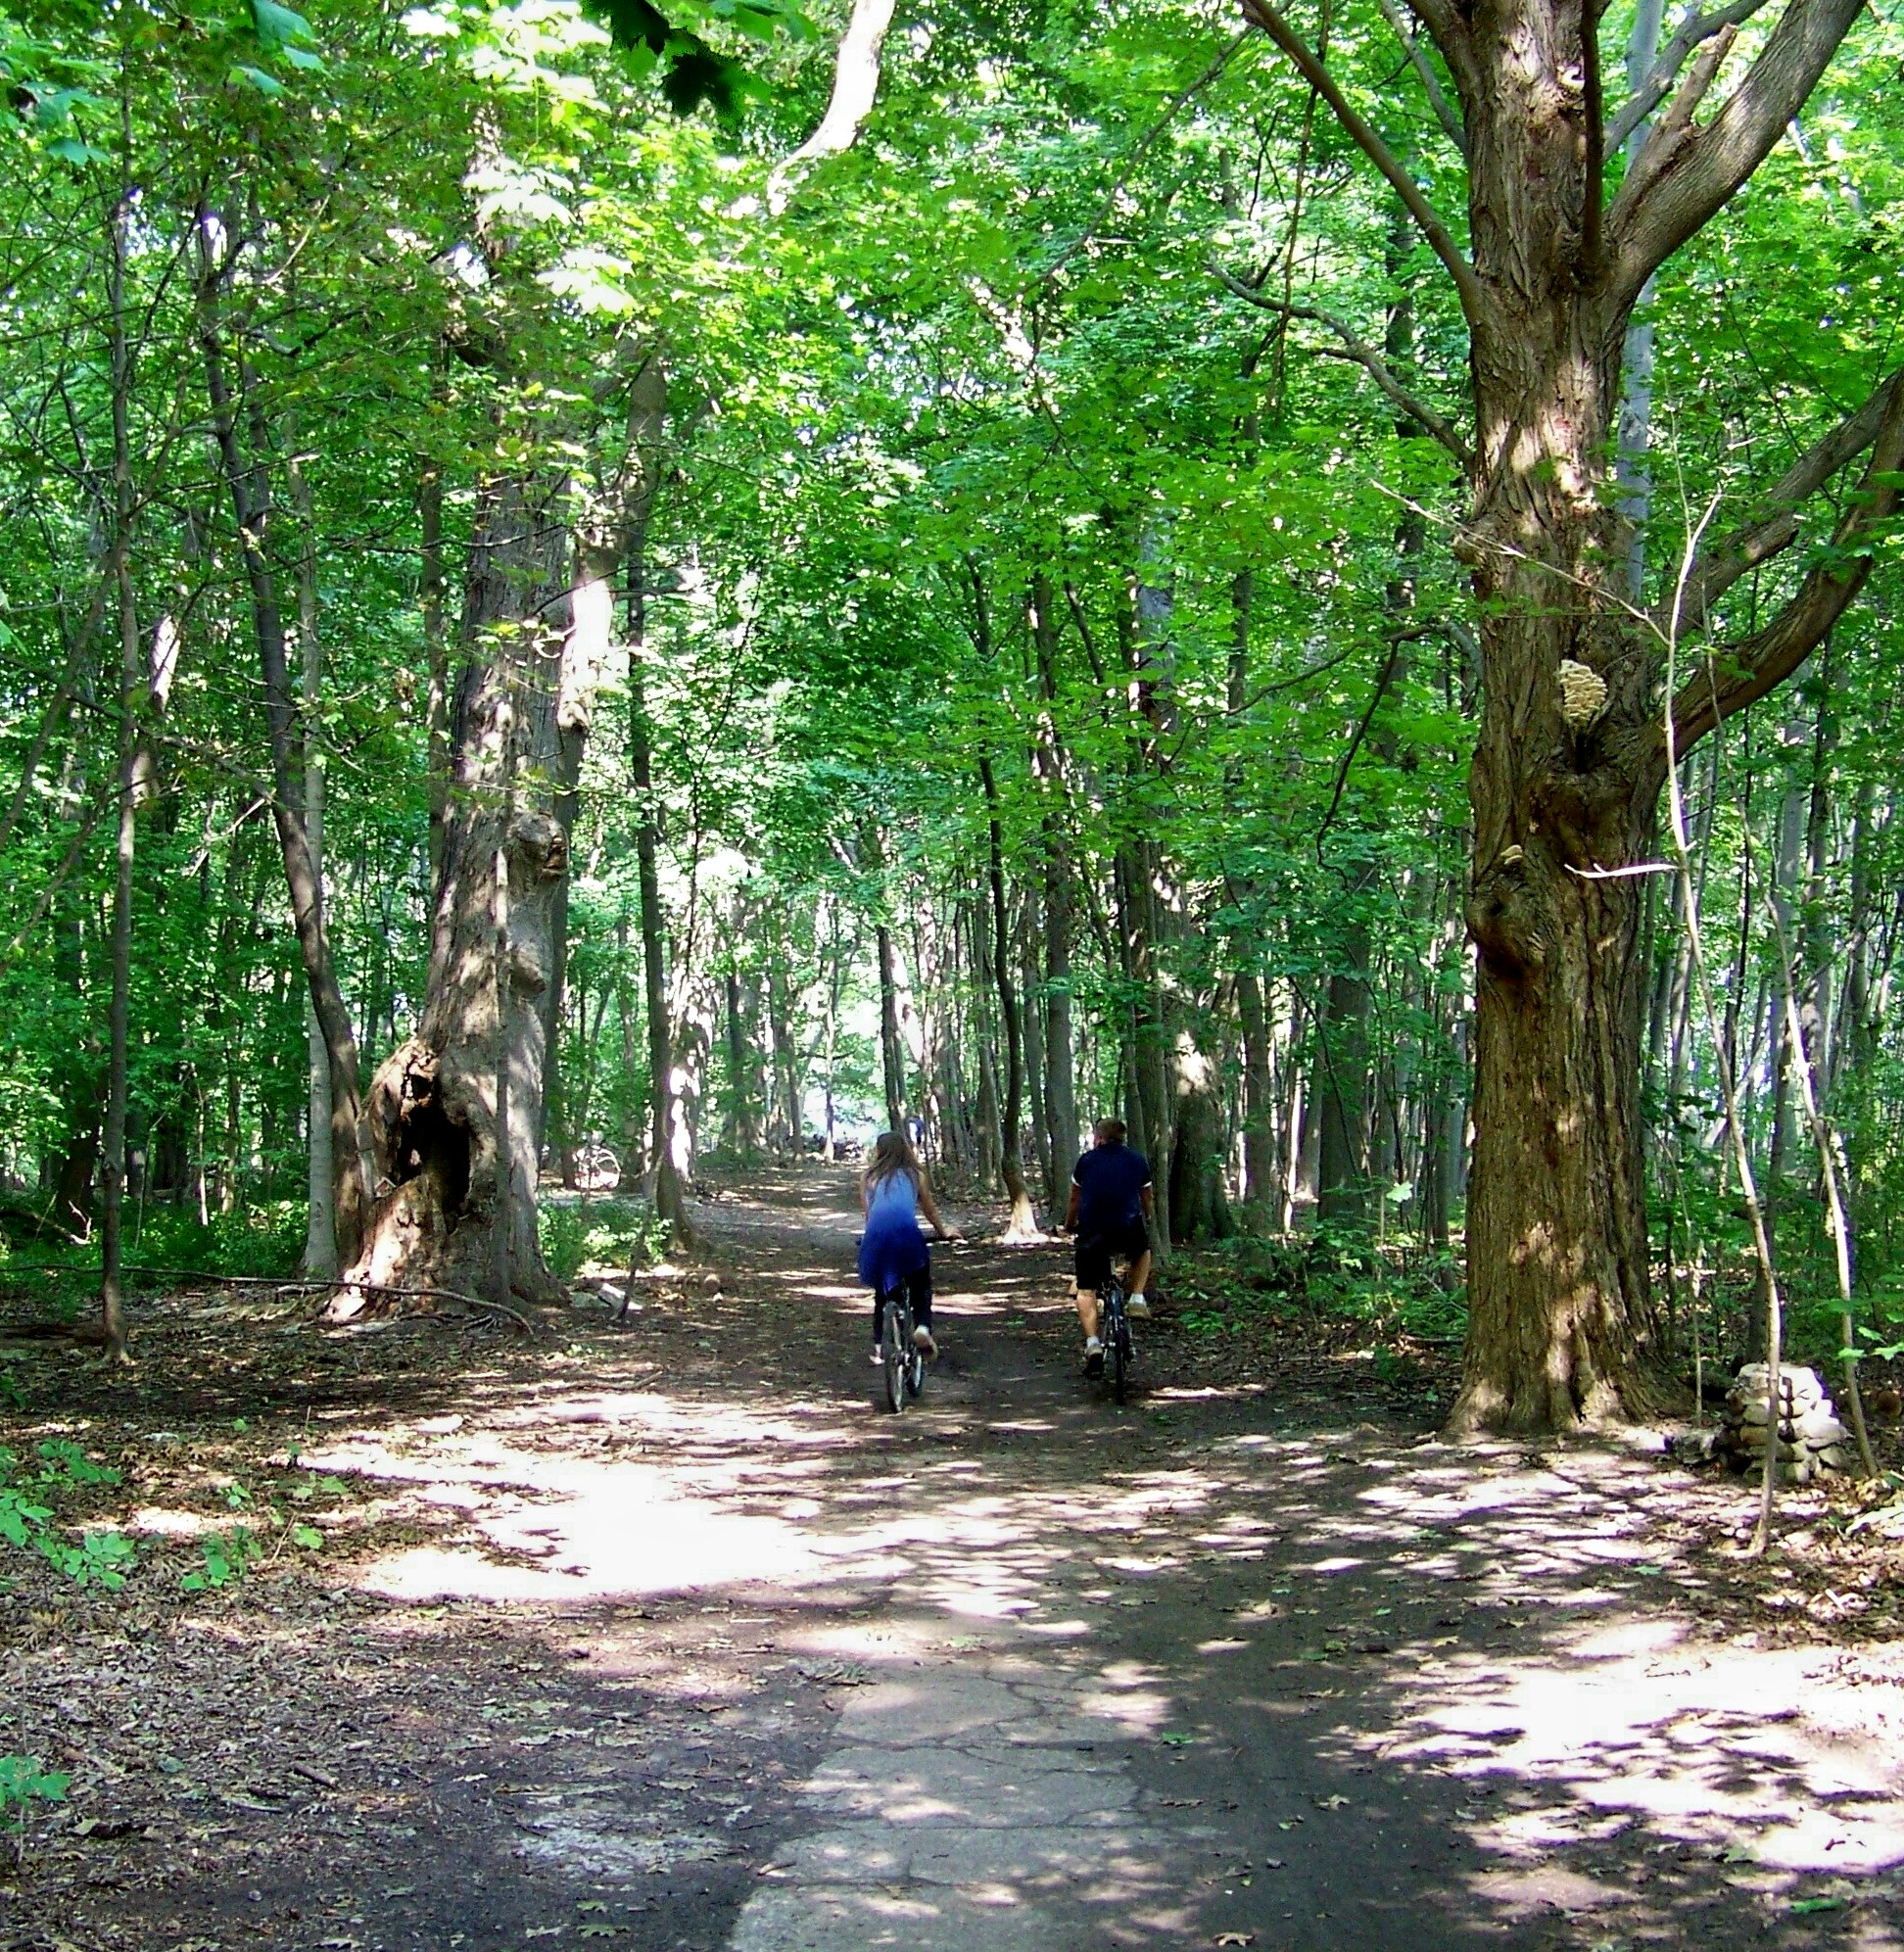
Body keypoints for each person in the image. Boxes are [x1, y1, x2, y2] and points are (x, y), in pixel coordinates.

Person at [857, 1129, 956, 1364]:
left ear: (879, 1151)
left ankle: (880, 1346)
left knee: (882, 1292)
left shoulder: (867, 1177)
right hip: (907, 1236)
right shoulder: (916, 1175)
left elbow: (870, 1215)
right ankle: (922, 1326)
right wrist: (944, 1232)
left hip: (876, 1237)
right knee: (921, 1285)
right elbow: (929, 1210)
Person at [1065, 1117, 1154, 1376]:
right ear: (1123, 1138)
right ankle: (1137, 1298)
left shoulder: (1086, 1161)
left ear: (1099, 1138)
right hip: (1127, 1227)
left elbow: (1074, 1198)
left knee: (1086, 1288)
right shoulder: (1137, 1160)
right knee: (1142, 1251)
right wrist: (1147, 1216)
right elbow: (1146, 1197)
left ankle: (1093, 1344)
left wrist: (1070, 1224)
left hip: (1092, 1229)